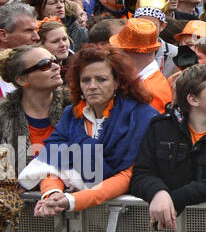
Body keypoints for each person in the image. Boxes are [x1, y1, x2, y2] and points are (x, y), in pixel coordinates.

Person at [21, 44, 159, 216]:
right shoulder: (71, 116)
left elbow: (128, 175)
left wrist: (73, 200)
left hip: (129, 217)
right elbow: (52, 162)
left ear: (117, 82)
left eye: (101, 79)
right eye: (86, 80)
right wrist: (52, 194)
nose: (92, 86)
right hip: (80, 219)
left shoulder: (142, 115)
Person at [130, 63, 206, 228]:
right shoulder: (160, 127)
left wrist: (174, 199)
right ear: (193, 99)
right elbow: (141, 173)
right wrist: (158, 193)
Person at [0, 45, 67, 180]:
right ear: (22, 79)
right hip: (18, 199)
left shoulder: (75, 107)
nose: (56, 66)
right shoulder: (4, 117)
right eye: (45, 65)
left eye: (54, 60)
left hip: (68, 197)